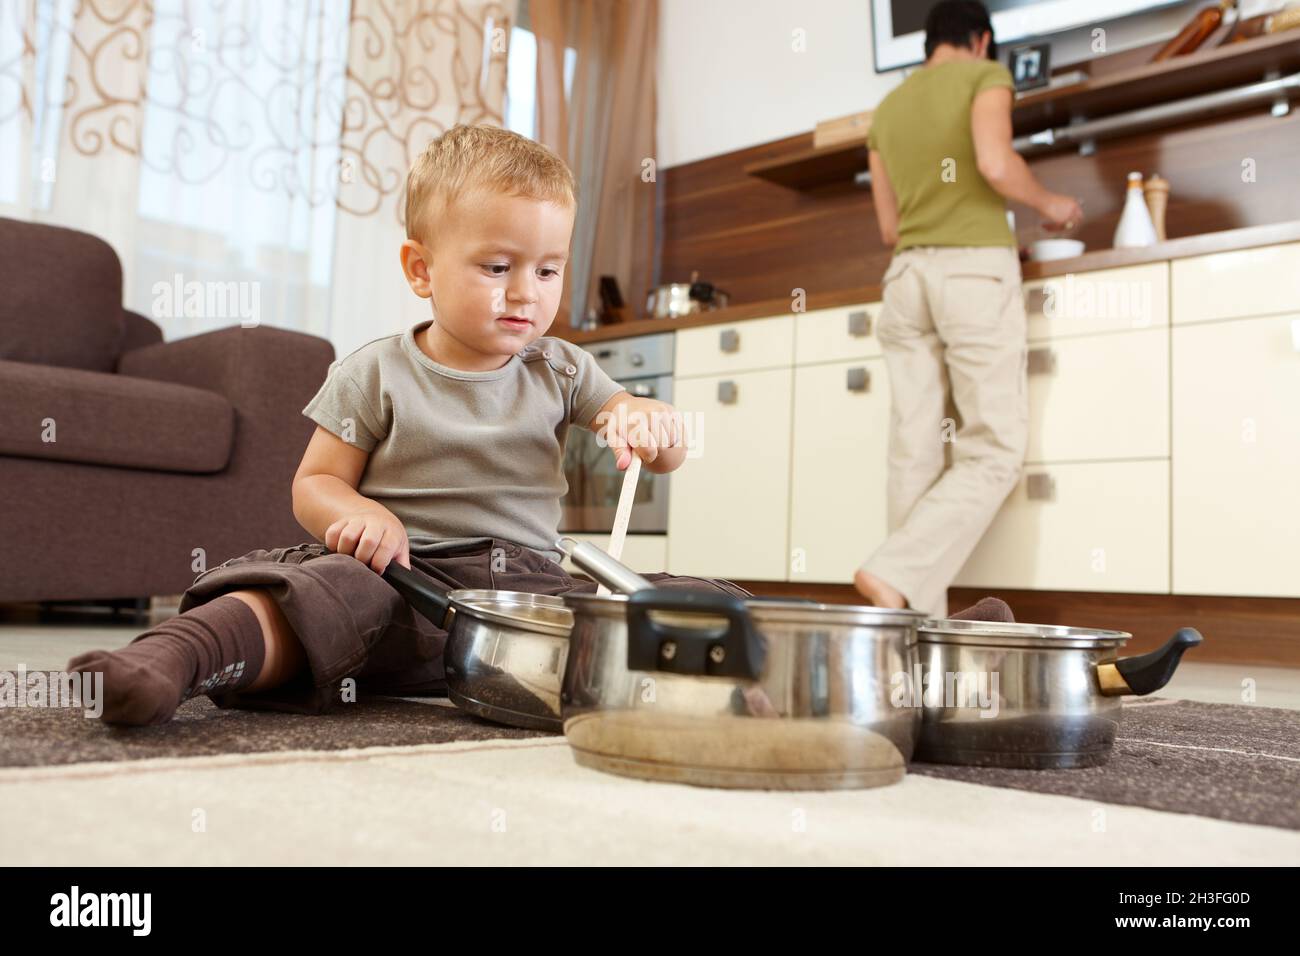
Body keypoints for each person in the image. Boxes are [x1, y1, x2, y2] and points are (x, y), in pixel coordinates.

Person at [68, 125, 750, 726]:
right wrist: (357, 514)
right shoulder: (375, 373)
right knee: (313, 594)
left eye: (548, 270)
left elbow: (658, 452)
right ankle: (173, 660)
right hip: (402, 585)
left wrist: (651, 421)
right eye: (497, 267)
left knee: (685, 599)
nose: (526, 293)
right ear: (421, 269)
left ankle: (748, 674)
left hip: (526, 599)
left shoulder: (563, 369)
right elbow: (315, 485)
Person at [854, 0, 1084, 618]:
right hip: (971, 272)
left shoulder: (888, 109)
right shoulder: (986, 76)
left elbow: (889, 225)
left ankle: (908, 630)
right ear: (982, 40)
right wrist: (1051, 203)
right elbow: (993, 162)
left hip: (906, 278)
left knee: (915, 451)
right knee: (993, 448)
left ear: (929, 44)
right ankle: (894, 571)